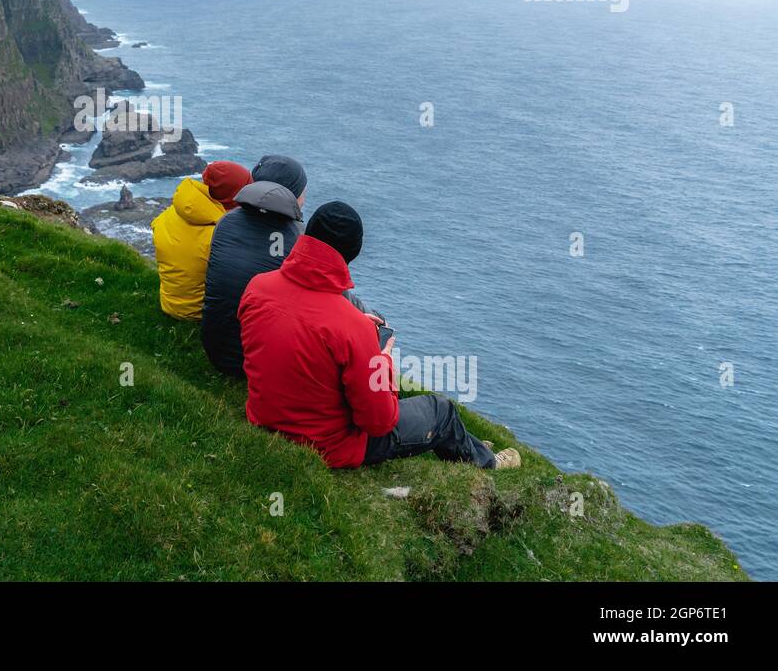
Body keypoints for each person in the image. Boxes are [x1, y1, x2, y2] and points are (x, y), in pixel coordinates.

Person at [240, 201, 521, 470]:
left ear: (307, 235)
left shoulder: (257, 287)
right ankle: (488, 463)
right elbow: (380, 422)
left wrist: (353, 326)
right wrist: (382, 362)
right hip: (328, 446)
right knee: (442, 412)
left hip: (264, 419)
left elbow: (299, 329)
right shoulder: (351, 327)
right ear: (352, 253)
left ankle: (464, 443)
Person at [200, 154, 308, 377]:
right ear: (294, 195)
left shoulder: (226, 222)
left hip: (216, 347)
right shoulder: (299, 240)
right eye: (303, 190)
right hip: (262, 363)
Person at [151, 161, 252, 321]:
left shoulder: (169, 214)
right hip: (201, 313)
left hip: (170, 302)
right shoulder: (222, 235)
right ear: (234, 197)